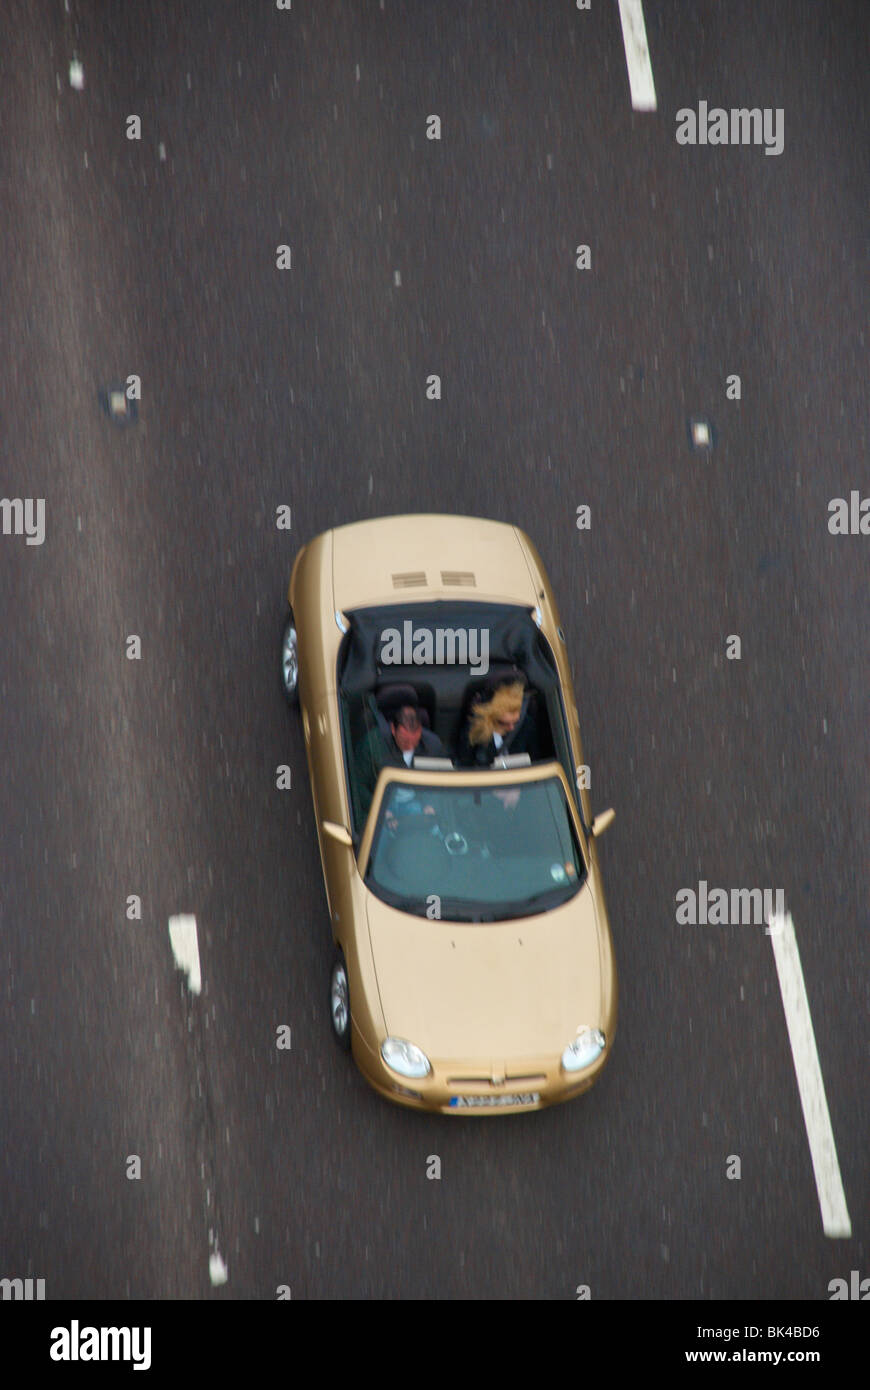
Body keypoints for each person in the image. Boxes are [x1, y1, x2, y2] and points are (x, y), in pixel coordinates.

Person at [355, 703, 444, 820]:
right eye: (404, 741)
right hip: (383, 804)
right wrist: (380, 810)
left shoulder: (433, 746)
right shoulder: (372, 745)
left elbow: (440, 781)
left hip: (418, 804)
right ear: (393, 729)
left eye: (415, 741)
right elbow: (358, 786)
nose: (410, 746)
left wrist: (431, 804)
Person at [456, 675, 539, 768]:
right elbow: (464, 765)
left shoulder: (527, 725)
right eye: (503, 723)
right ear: (489, 718)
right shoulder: (474, 730)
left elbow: (535, 762)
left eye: (515, 722)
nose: (511, 728)